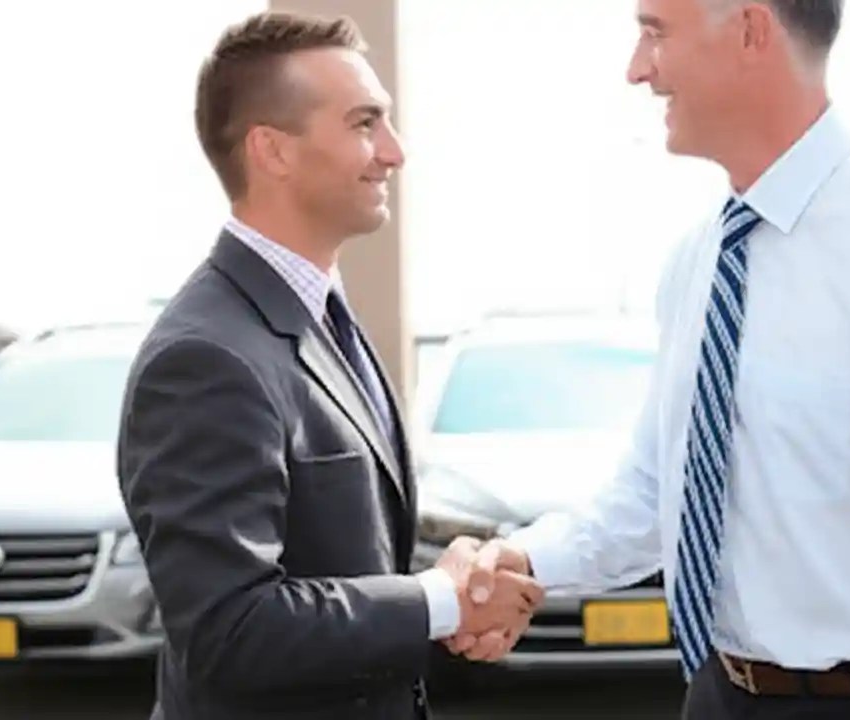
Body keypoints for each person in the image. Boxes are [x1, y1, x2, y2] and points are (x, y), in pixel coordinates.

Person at [445, 0, 850, 717]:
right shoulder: (699, 258)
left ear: (748, 29)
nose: (637, 69)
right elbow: (657, 491)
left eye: (655, 32)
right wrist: (525, 562)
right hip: (716, 696)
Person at [115, 11, 542, 720]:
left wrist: (450, 601)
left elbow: (348, 565)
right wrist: (438, 599)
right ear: (272, 150)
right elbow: (229, 632)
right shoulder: (206, 357)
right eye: (364, 123)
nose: (394, 152)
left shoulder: (321, 319)